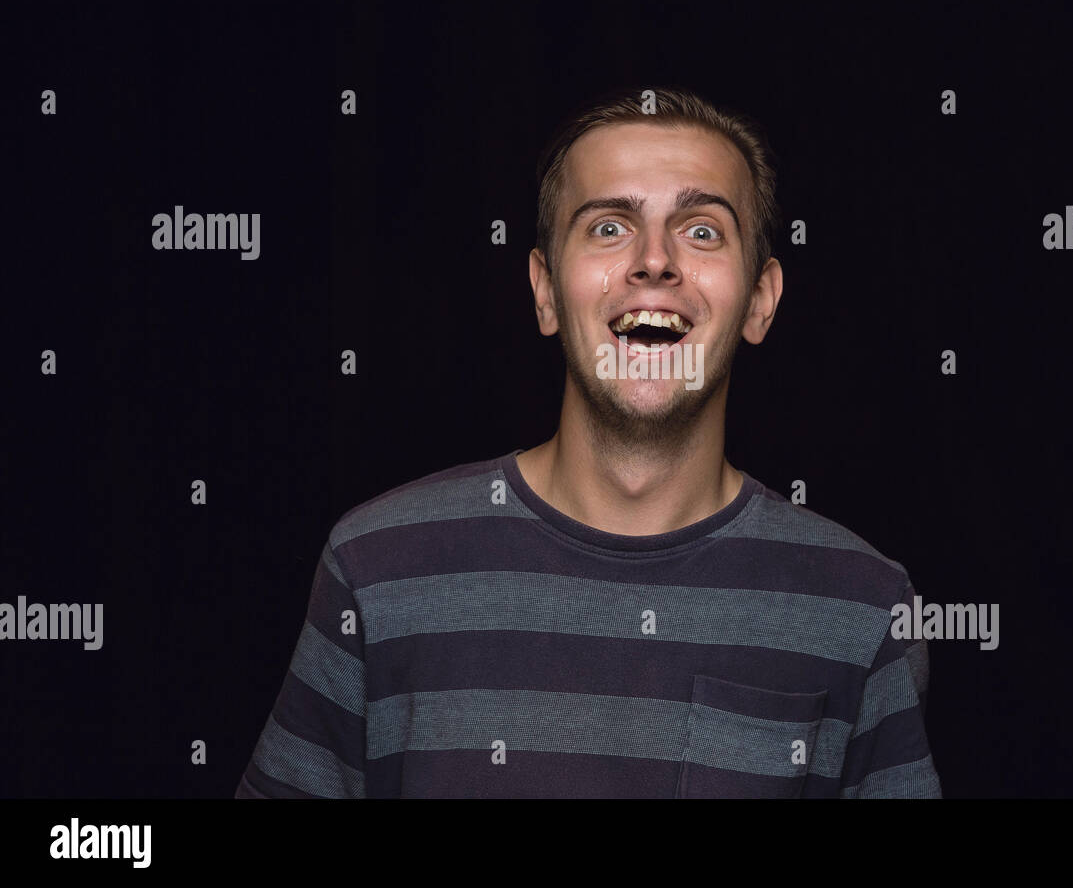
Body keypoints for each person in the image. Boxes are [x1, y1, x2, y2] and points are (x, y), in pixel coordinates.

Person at [234, 86, 942, 798]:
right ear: (545, 291)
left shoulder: (862, 610)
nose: (654, 261)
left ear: (761, 299)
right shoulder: (377, 570)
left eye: (701, 231)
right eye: (609, 227)